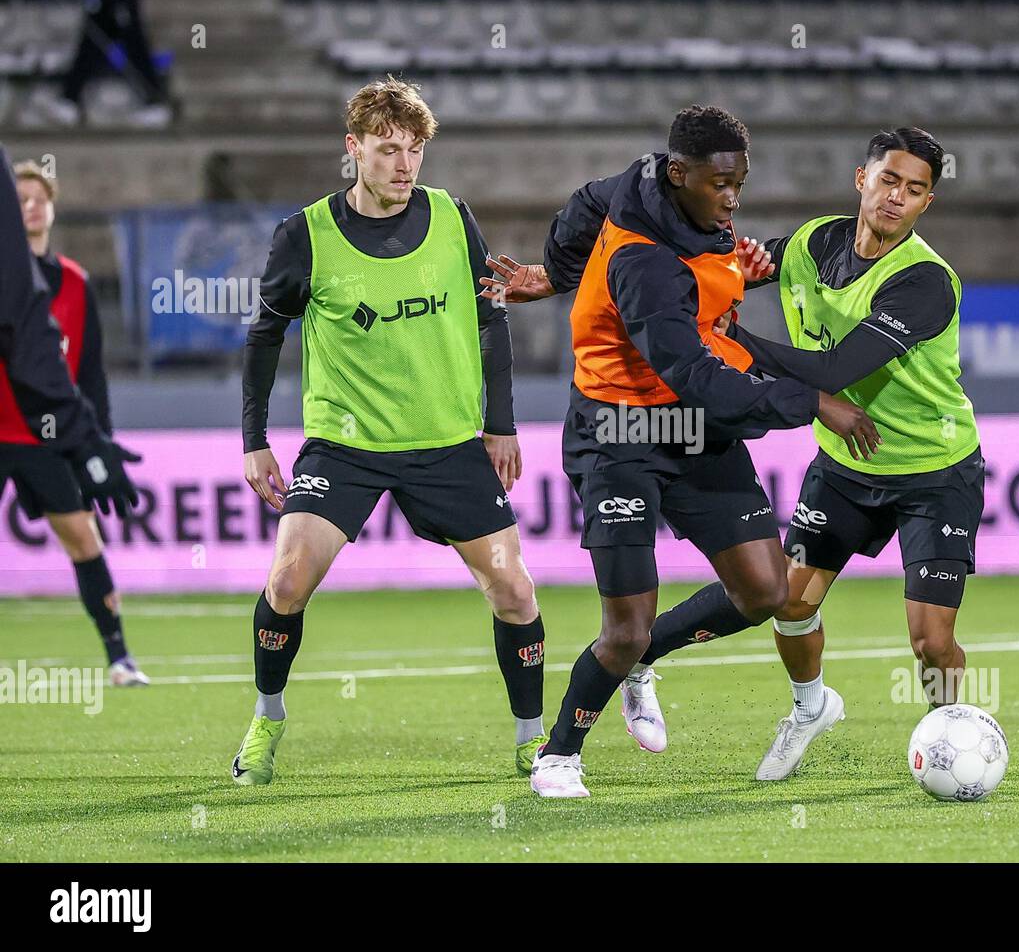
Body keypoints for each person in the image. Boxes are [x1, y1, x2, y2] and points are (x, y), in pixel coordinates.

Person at [481, 105, 876, 798]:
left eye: (739, 182)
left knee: (765, 590)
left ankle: (641, 663)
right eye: (720, 184)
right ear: (678, 174)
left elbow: (582, 206)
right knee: (626, 625)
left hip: (692, 432)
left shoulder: (643, 191)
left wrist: (558, 271)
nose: (733, 199)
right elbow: (697, 380)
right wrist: (811, 401)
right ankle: (559, 755)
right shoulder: (644, 262)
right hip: (622, 435)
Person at [231, 77, 548, 786]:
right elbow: (264, 337)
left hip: (446, 441)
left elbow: (491, 315)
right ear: (354, 150)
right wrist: (255, 438)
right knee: (286, 581)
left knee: (515, 593)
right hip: (345, 447)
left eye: (414, 151)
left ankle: (533, 740)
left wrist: (500, 424)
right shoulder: (303, 236)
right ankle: (267, 718)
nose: (404, 165)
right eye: (387, 149)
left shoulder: (451, 217)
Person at [712, 127, 985, 780]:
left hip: (933, 473)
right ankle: (810, 708)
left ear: (926, 206)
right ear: (862, 179)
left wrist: (734, 340)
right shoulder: (815, 242)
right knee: (790, 603)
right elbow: (739, 262)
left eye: (915, 190)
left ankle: (948, 736)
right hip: (844, 466)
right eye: (889, 179)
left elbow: (838, 370)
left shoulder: (924, 281)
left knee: (931, 641)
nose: (898, 196)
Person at [0, 161, 147, 685]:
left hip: (47, 437)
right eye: (19, 198)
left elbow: (89, 373)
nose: (31, 207)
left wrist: (96, 442)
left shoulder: (76, 282)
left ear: (53, 208)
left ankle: (119, 656)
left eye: (40, 197)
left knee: (84, 540)